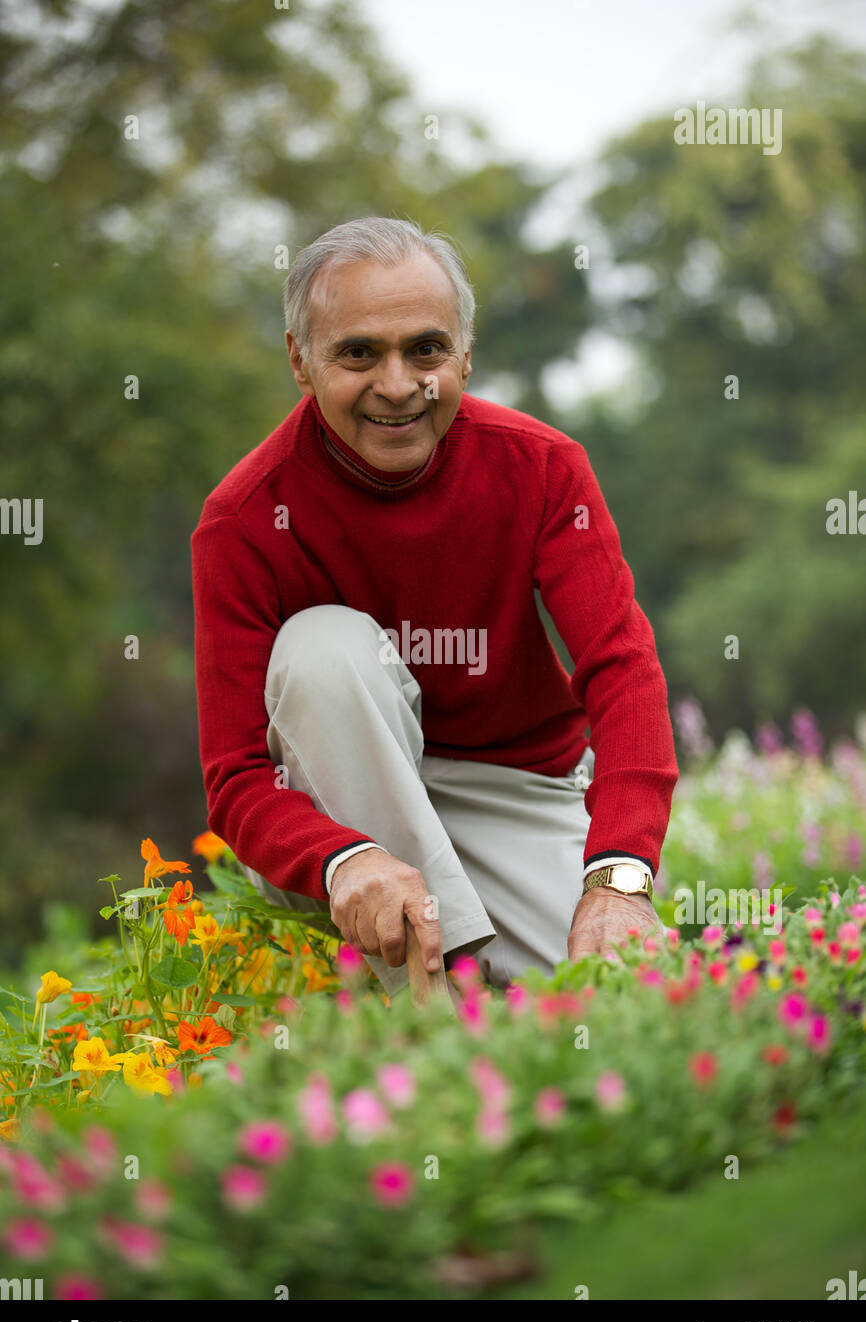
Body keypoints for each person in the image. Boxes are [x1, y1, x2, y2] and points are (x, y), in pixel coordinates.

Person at [191, 216, 678, 996]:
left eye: (426, 349)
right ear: (300, 360)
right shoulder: (243, 519)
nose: (397, 383)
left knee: (627, 1006)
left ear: (465, 353)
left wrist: (618, 880)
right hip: (336, 814)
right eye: (358, 353)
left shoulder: (543, 468)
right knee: (322, 648)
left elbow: (623, 669)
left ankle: (451, 1006)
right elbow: (237, 776)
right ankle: (440, 1021)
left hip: (515, 790)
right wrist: (344, 857)